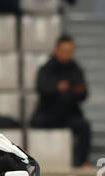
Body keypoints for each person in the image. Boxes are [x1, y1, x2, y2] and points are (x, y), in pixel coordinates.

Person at [30, 35, 91, 168]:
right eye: (64, 50)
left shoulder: (76, 69)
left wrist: (72, 90)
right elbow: (41, 88)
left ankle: (80, 162)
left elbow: (83, 92)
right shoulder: (46, 68)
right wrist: (58, 87)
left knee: (84, 126)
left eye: (70, 51)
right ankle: (34, 163)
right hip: (48, 113)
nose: (67, 54)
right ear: (56, 50)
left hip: (69, 114)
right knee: (34, 123)